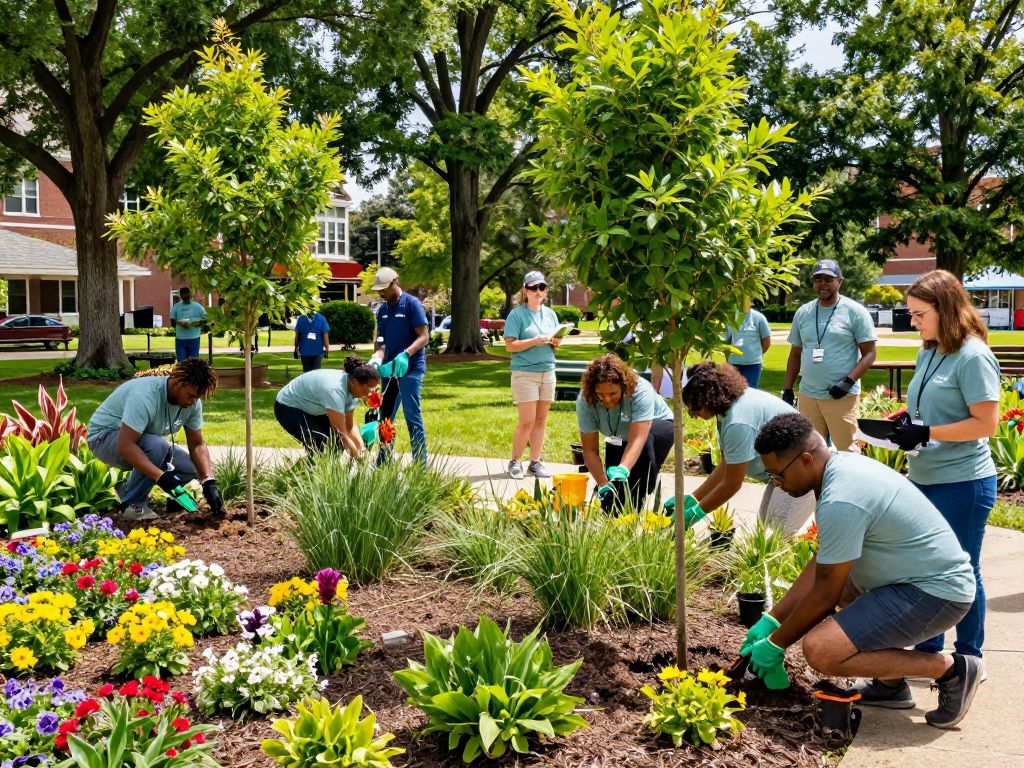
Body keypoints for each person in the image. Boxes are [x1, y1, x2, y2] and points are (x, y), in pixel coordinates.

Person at [741, 412, 981, 729]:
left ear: (806, 459)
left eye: (778, 476)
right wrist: (772, 620)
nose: (778, 484)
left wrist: (775, 645)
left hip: (936, 594)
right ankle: (890, 685)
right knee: (840, 583)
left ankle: (951, 668)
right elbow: (824, 564)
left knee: (822, 650)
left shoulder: (842, 497)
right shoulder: (837, 468)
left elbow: (823, 596)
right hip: (911, 582)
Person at [882, 269, 1000, 668]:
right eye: (911, 314)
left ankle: (969, 658)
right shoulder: (928, 349)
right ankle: (928, 651)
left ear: (945, 309)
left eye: (919, 314)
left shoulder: (973, 355)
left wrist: (928, 429)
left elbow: (986, 423)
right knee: (926, 569)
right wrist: (908, 418)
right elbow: (930, 406)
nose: (912, 322)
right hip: (925, 477)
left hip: (963, 482)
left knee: (962, 569)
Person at [681, 361, 815, 535]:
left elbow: (732, 483)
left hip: (802, 473)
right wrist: (693, 498)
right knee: (766, 528)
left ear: (708, 397)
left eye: (694, 407)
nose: (694, 414)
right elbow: (726, 466)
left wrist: (695, 514)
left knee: (777, 537)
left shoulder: (738, 421)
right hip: (783, 474)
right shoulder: (727, 410)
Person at [87, 358, 223, 522]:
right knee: (158, 447)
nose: (193, 402)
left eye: (197, 397)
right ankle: (132, 506)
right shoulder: (145, 395)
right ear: (176, 383)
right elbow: (125, 446)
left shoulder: (193, 403)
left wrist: (208, 481)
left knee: (190, 467)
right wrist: (161, 477)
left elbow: (197, 444)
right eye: (190, 396)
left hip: (139, 442)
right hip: (104, 438)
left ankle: (166, 503)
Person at [783, 259, 877, 451]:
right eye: (818, 279)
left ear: (839, 281)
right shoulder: (804, 312)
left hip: (840, 397)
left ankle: (850, 482)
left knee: (847, 449)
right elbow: (795, 354)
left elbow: (870, 354)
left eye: (828, 279)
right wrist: (788, 388)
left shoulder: (855, 312)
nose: (823, 284)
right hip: (808, 395)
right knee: (810, 451)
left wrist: (848, 382)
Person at [577, 353, 674, 510]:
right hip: (620, 435)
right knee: (612, 492)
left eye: (612, 394)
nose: (607, 400)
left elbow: (638, 439)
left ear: (623, 386)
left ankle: (635, 508)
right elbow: (590, 450)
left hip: (658, 427)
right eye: (600, 395)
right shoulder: (585, 400)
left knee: (636, 477)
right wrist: (602, 483)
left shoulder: (640, 390)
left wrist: (623, 469)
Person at [503, 270, 562, 479]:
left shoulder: (551, 314)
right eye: (533, 287)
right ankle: (515, 461)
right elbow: (510, 346)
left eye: (542, 287)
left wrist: (555, 341)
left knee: (541, 419)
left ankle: (535, 462)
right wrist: (535, 340)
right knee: (527, 420)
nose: (538, 291)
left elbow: (555, 342)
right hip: (524, 374)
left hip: (548, 371)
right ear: (525, 290)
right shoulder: (517, 315)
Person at [369, 267, 430, 463]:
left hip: (411, 369)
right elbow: (380, 340)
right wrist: (377, 358)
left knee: (412, 415)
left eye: (384, 289)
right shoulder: (382, 310)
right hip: (390, 370)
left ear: (395, 282)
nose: (381, 293)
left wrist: (406, 354)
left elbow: (424, 336)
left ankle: (420, 463)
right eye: (378, 290)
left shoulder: (412, 304)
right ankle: (384, 459)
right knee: (385, 416)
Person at [274, 356, 381, 455]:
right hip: (287, 406)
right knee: (319, 446)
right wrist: (360, 460)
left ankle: (323, 471)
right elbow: (342, 435)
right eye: (368, 390)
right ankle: (298, 474)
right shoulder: (335, 391)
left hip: (308, 407)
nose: (370, 394)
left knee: (335, 444)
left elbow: (349, 426)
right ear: (354, 382)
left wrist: (361, 447)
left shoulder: (354, 391)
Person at [725, 301, 771, 388]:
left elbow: (766, 341)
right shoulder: (730, 318)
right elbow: (727, 341)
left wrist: (755, 355)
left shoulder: (759, 318)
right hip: (733, 363)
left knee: (751, 392)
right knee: (732, 391)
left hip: (753, 364)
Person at [169, 287, 207, 362]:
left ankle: (192, 374)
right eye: (183, 294)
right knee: (182, 362)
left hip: (194, 338)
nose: (184, 296)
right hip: (180, 339)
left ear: (190, 295)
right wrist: (181, 323)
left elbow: (205, 320)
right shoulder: (176, 307)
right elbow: (173, 322)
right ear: (180, 296)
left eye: (186, 294)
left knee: (193, 362)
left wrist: (196, 323)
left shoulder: (198, 307)